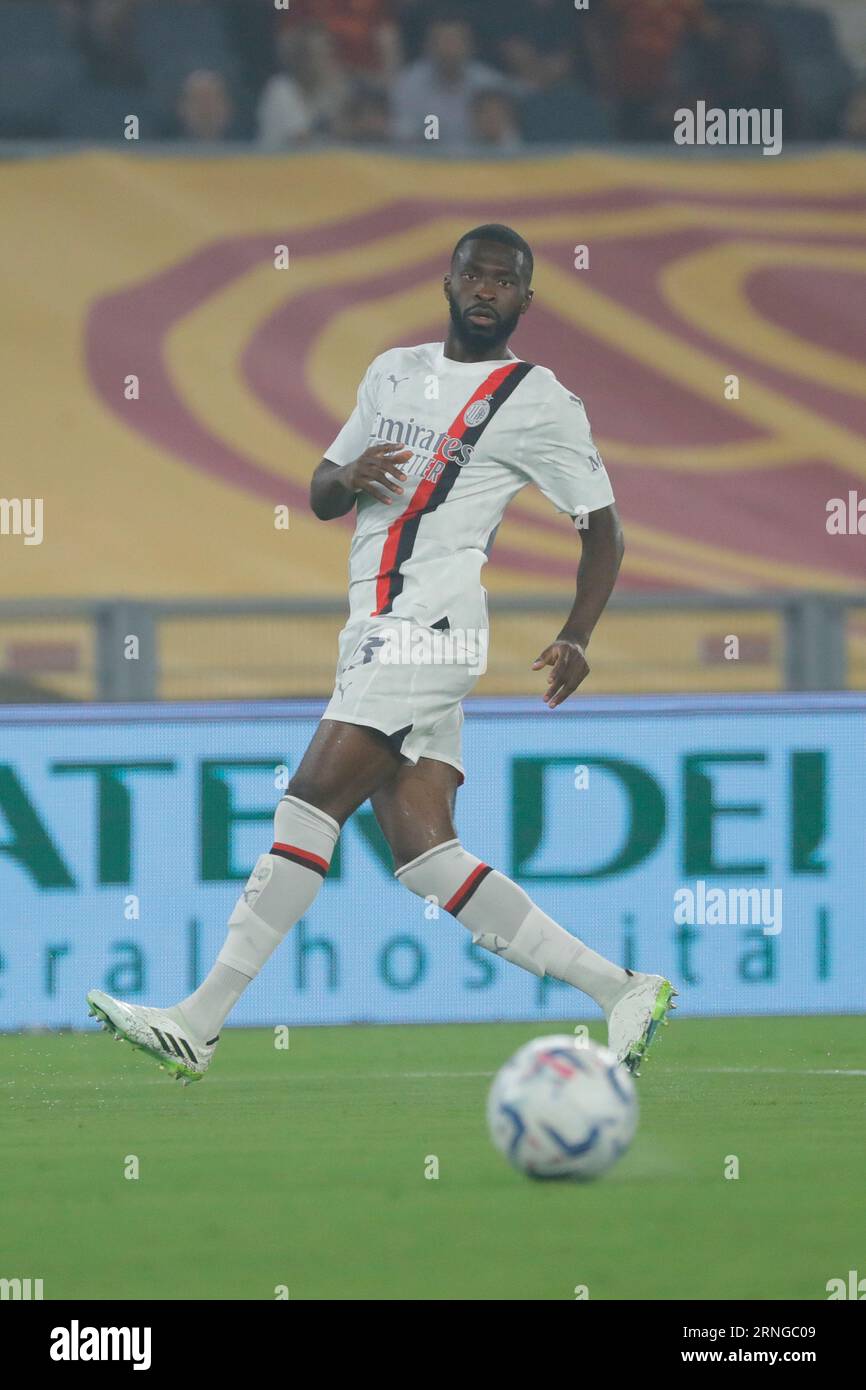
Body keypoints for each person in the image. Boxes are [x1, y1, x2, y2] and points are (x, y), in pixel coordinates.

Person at [87, 224, 676, 1083]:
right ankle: (621, 989)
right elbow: (322, 492)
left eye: (505, 280)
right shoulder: (391, 372)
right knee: (427, 856)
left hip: (427, 627)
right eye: (473, 273)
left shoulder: (539, 398)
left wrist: (579, 632)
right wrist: (352, 472)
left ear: (526, 299)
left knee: (308, 804)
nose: (486, 289)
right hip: (375, 624)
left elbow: (604, 531)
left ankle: (199, 1020)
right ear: (446, 280)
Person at [391, 15, 505, 145]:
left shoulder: (489, 84)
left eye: (455, 41)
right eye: (442, 41)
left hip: (480, 161)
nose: (449, 49)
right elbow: (402, 135)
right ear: (428, 46)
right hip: (426, 161)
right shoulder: (409, 85)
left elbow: (508, 140)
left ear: (470, 46)